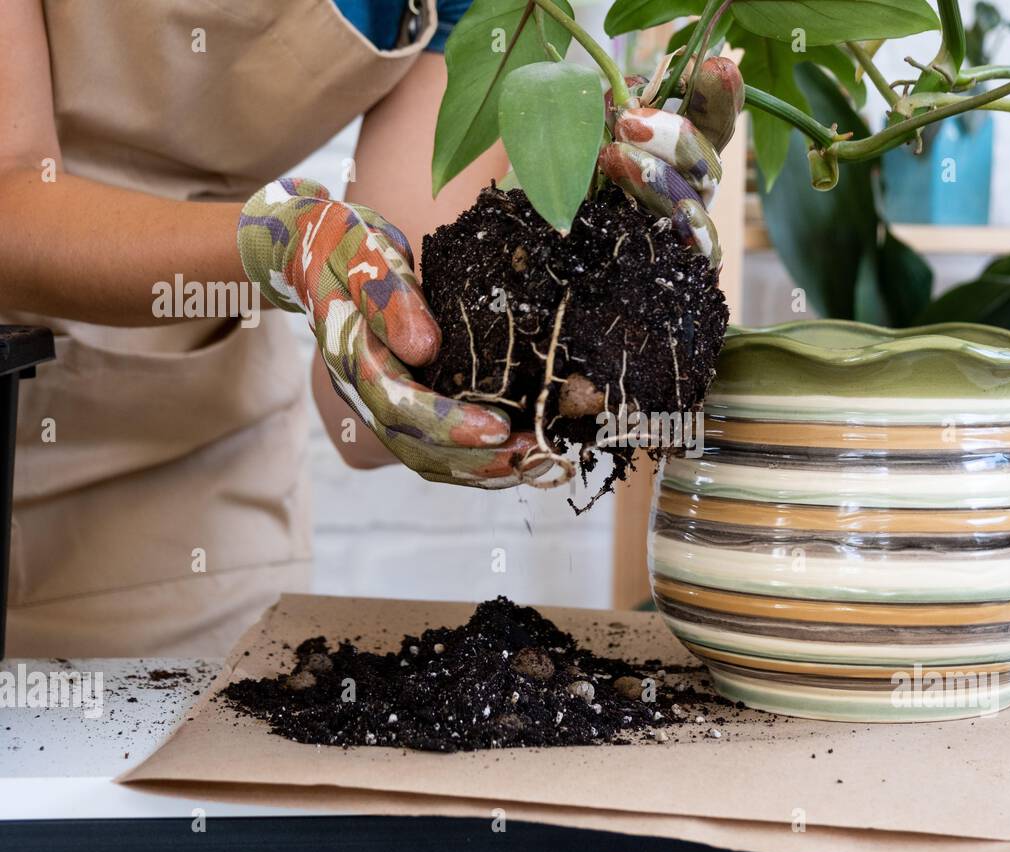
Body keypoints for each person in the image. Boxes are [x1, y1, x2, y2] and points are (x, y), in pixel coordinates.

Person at [0, 0, 733, 658]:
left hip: (184, 479)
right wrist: (280, 243)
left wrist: (599, 229)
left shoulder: (485, 12)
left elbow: (391, 344)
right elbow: (9, 191)